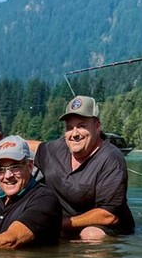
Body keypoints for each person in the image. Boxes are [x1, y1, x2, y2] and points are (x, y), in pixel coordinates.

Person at [32, 96, 135, 240]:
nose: (74, 134)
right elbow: (32, 147)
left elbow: (108, 215)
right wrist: (3, 145)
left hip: (104, 226)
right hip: (63, 225)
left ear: (97, 126)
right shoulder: (55, 149)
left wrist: (60, 224)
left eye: (81, 126)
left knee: (91, 235)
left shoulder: (111, 159)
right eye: (69, 128)